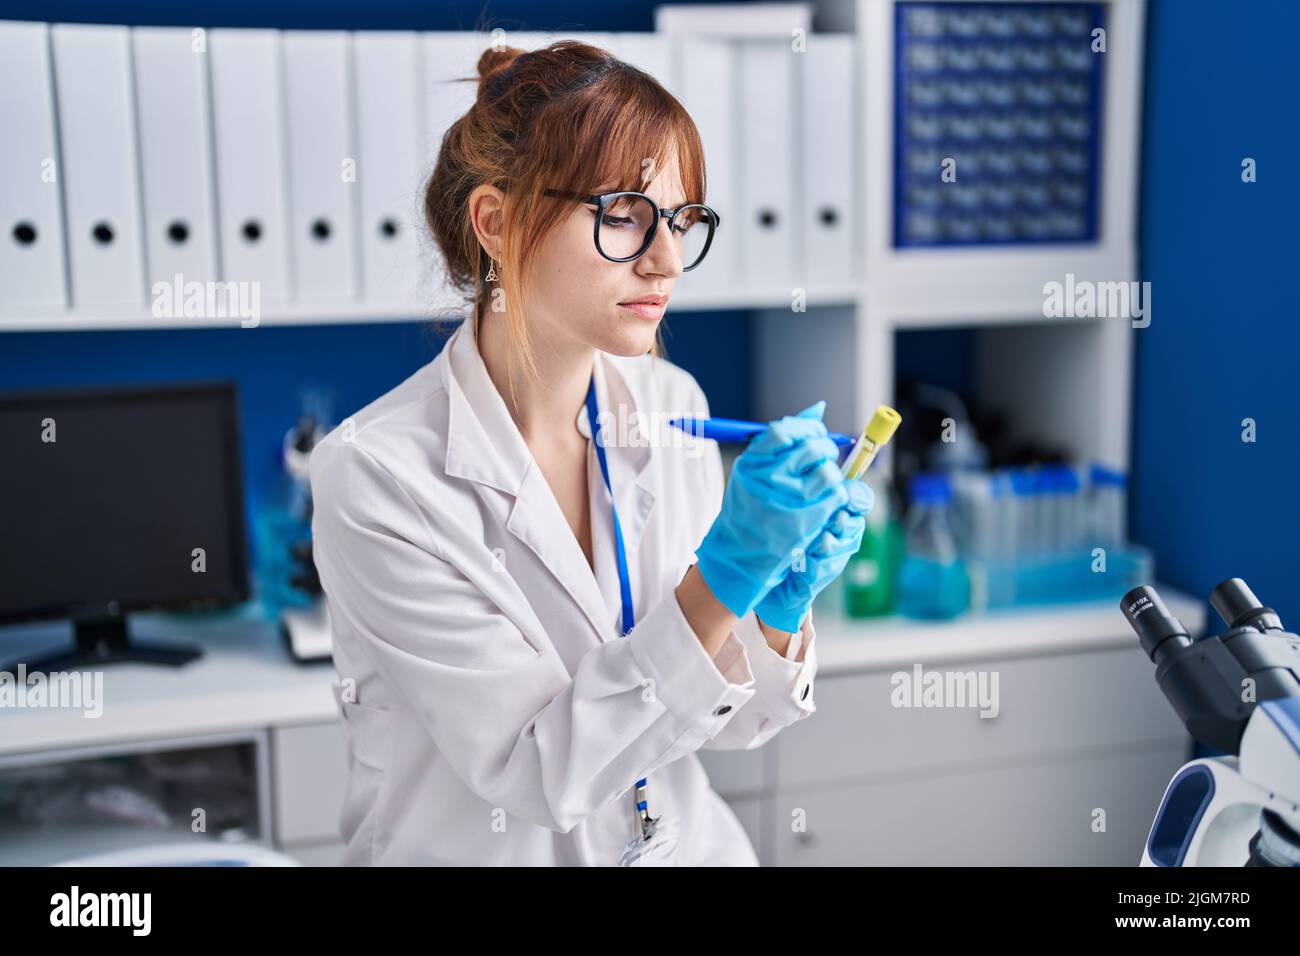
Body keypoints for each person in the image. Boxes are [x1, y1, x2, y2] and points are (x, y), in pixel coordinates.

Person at [308, 39, 873, 866]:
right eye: (623, 215)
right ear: (497, 223)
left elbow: (721, 722)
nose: (667, 260)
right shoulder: (375, 475)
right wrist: (719, 583)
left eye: (681, 220)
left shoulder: (671, 406)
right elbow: (536, 768)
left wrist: (775, 614)